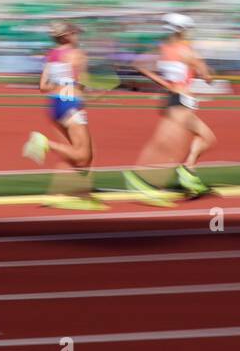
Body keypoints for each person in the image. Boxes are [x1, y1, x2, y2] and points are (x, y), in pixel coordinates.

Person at [123, 13, 216, 203]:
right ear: (181, 30)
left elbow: (138, 65)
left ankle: (187, 170)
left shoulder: (163, 49)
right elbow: (208, 77)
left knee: (205, 137)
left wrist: (164, 83)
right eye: (187, 30)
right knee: (167, 144)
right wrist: (203, 68)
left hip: (172, 99)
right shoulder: (187, 51)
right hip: (180, 101)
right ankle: (142, 179)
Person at [21, 21, 104, 210]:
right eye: (75, 33)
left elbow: (43, 87)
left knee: (81, 152)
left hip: (55, 105)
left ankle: (68, 194)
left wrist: (62, 85)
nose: (78, 37)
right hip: (72, 105)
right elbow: (82, 85)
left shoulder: (51, 56)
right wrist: (97, 92)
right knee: (82, 154)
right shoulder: (79, 56)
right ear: (67, 35)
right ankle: (43, 142)